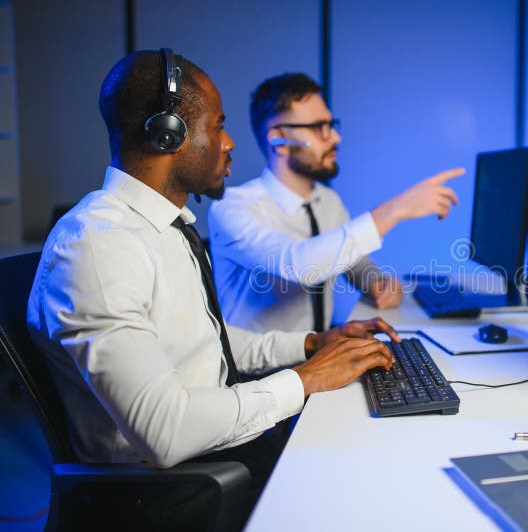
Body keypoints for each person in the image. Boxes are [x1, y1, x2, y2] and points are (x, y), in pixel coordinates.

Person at [26, 49, 398, 529]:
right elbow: (164, 429)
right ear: (170, 134)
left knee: (371, 449)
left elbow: (205, 343)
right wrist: (306, 379)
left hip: (213, 448)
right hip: (174, 487)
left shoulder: (162, 228)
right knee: (369, 488)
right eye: (218, 126)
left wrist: (310, 345)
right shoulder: (99, 246)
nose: (230, 143)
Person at [207, 73, 464, 334]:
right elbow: (299, 265)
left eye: (331, 125)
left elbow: (351, 261)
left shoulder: (328, 201)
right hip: (263, 373)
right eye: (319, 128)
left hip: (322, 357)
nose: (335, 138)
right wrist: (395, 210)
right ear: (278, 140)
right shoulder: (232, 208)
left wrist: (377, 281)